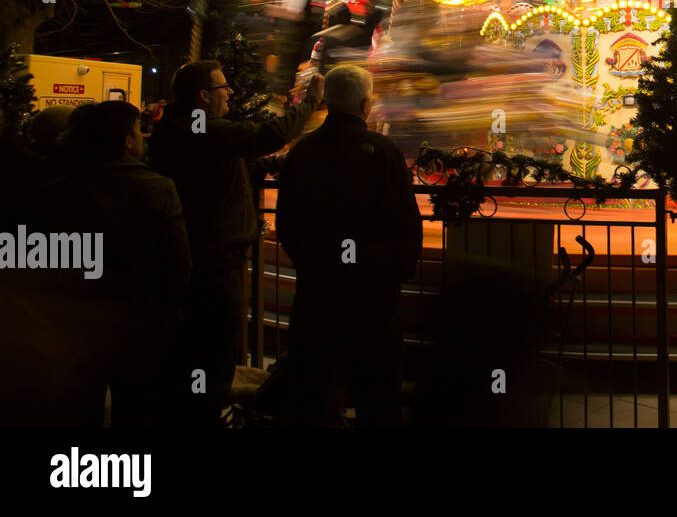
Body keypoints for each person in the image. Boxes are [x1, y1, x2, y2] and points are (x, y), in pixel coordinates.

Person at [149, 59, 323, 425]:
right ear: (203, 96)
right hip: (214, 257)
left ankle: (196, 405)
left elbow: (224, 168)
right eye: (222, 87)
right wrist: (309, 102)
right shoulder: (199, 128)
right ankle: (205, 411)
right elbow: (267, 134)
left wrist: (270, 166)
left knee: (205, 340)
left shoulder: (188, 130)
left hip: (209, 253)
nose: (228, 93)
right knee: (212, 343)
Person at [275, 64, 421, 426]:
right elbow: (406, 223)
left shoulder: (302, 153)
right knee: (377, 395)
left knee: (314, 391)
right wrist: (392, 268)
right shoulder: (384, 154)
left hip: (317, 294)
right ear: (365, 104)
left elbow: (287, 223)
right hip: (372, 297)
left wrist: (312, 262)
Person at [40, 102, 191, 426]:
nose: (143, 136)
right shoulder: (156, 188)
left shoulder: (58, 191)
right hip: (140, 320)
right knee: (137, 404)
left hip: (77, 320)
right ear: (125, 139)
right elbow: (177, 262)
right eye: (138, 130)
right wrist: (170, 313)